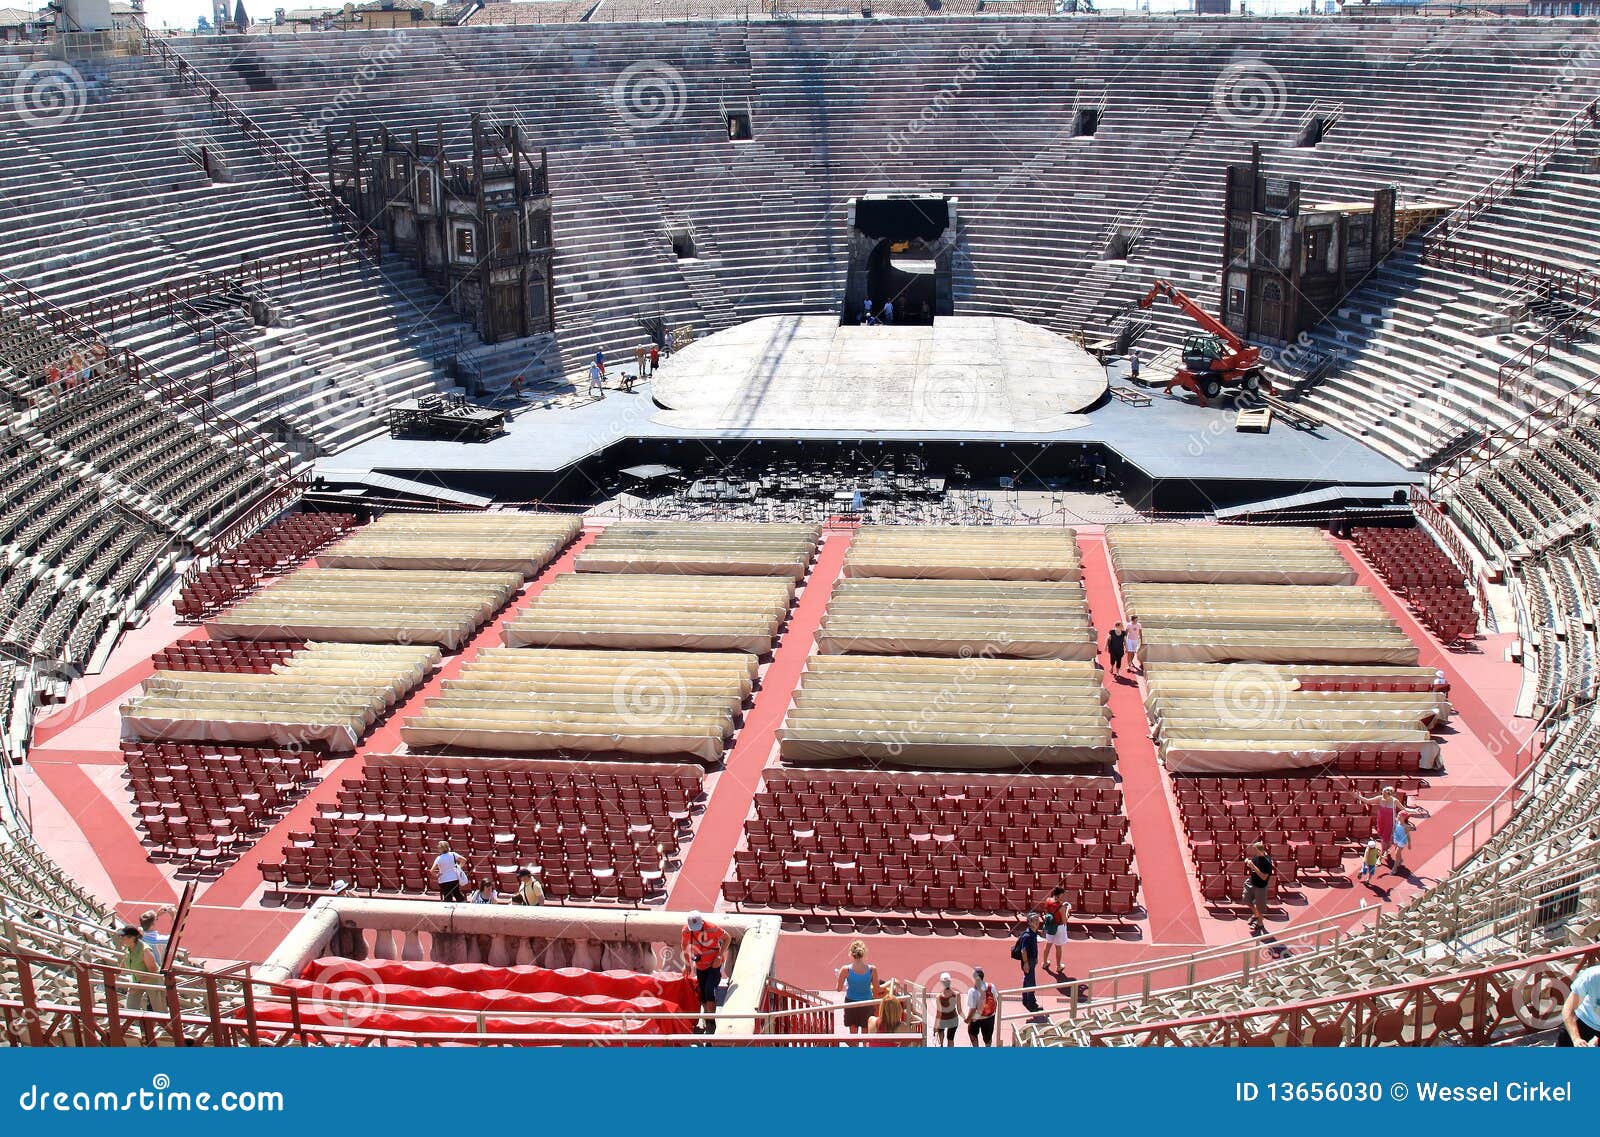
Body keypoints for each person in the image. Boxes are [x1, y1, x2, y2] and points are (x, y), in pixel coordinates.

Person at [681, 911, 729, 1035]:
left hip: (713, 966)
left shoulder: (712, 928)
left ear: (702, 922)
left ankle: (711, 1023)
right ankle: (708, 1016)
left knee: (709, 991)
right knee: (702, 993)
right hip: (700, 966)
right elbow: (684, 947)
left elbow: (727, 938)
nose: (696, 931)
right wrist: (687, 964)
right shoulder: (686, 931)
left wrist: (719, 956)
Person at [117, 925, 167, 1014]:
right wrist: (116, 974)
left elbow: (153, 971)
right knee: (131, 1008)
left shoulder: (145, 950)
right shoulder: (128, 948)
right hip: (138, 981)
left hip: (153, 982)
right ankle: (133, 1024)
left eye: (123, 937)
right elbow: (125, 960)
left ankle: (168, 1027)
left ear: (132, 938)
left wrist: (138, 984)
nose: (121, 939)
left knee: (160, 1011)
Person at [835, 938, 880, 1036]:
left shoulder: (845, 969)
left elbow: (838, 989)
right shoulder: (872, 969)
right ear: (864, 953)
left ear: (851, 953)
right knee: (866, 1036)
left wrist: (839, 977)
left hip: (851, 1003)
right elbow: (877, 990)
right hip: (867, 1003)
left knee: (853, 1037)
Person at [1559, 963, 1600, 1046]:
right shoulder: (1591, 976)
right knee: (1564, 1039)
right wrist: (1576, 1038)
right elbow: (1568, 1009)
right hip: (1586, 1017)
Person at [1358, 787, 1403, 863]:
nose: (1382, 794)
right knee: (1383, 838)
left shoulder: (1394, 801)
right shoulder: (1380, 798)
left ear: (1388, 794)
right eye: (1382, 793)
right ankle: (1386, 850)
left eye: (1384, 793)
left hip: (1389, 822)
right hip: (1381, 821)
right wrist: (1359, 797)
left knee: (1384, 840)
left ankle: (1380, 858)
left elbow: (1403, 808)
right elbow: (1368, 801)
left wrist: (1413, 811)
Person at [1012, 911, 1043, 1013]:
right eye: (1035, 920)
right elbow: (1023, 950)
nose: (1038, 922)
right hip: (1028, 962)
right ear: (1029, 922)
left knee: (1027, 980)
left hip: (1031, 960)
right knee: (1031, 983)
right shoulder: (1027, 936)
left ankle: (1025, 1000)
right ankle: (1032, 1004)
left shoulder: (1033, 933)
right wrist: (1026, 963)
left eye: (1038, 920)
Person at [1243, 840, 1274, 934]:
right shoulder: (1256, 857)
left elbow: (1264, 877)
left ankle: (1260, 923)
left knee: (1260, 907)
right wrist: (1249, 863)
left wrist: (1253, 866)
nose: (1254, 852)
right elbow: (1253, 868)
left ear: (1259, 850)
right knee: (1246, 899)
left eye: (1255, 850)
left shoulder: (1267, 861)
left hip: (1261, 886)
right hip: (1252, 882)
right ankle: (1255, 914)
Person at [1040, 886, 1071, 974]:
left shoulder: (1048, 900)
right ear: (1059, 895)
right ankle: (1058, 966)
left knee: (1048, 944)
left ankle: (1045, 963)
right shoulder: (1061, 907)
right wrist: (1067, 911)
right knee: (1058, 947)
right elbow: (1065, 921)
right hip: (1059, 927)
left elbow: (1046, 912)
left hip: (1050, 925)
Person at [965, 966, 998, 1046]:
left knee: (973, 1035)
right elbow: (995, 1001)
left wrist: (968, 1019)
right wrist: (992, 1013)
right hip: (989, 1017)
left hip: (976, 1018)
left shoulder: (972, 991)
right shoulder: (991, 986)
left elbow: (972, 1009)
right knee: (988, 1039)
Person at [431, 839, 466, 903]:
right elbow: (464, 860)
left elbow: (432, 871)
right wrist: (459, 867)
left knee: (447, 897)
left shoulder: (438, 858)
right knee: (457, 894)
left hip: (443, 880)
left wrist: (437, 875)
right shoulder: (453, 854)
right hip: (454, 878)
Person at [932, 973, 960, 1047]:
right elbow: (959, 1010)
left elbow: (938, 1013)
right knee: (950, 1039)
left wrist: (935, 1026)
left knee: (941, 1041)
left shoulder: (938, 996)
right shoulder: (956, 994)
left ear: (941, 983)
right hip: (953, 1019)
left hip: (942, 1020)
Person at [1390, 806, 1416, 874]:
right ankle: (1400, 860)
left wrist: (1409, 844)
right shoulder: (1396, 821)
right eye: (1398, 814)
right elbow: (1394, 829)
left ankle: (1394, 868)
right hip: (1396, 838)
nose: (1398, 816)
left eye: (1399, 815)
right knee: (1397, 852)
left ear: (1403, 817)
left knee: (1396, 853)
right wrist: (1392, 836)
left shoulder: (1406, 826)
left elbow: (1408, 835)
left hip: (1402, 841)